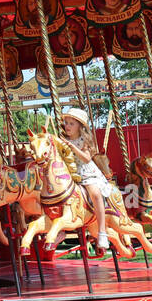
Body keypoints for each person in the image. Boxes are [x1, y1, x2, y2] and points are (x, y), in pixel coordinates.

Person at [60, 107, 110, 250]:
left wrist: (72, 147)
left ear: (80, 127)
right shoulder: (63, 139)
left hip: (86, 172)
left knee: (95, 194)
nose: (67, 126)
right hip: (70, 172)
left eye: (71, 124)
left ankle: (102, 232)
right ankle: (60, 231)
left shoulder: (83, 140)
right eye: (66, 123)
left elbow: (87, 158)